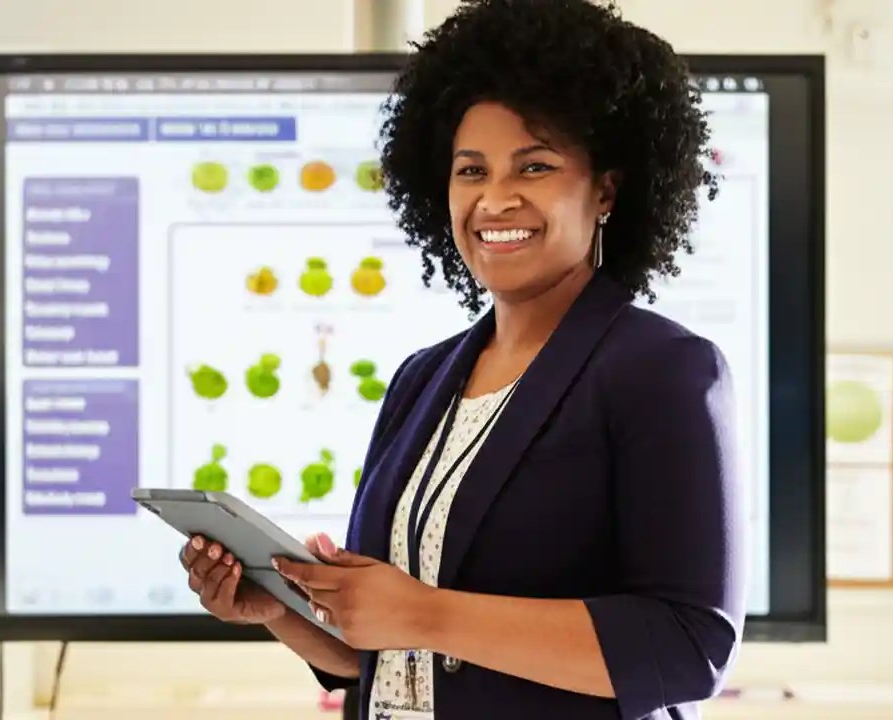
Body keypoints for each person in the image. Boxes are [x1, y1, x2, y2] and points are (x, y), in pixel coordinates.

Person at [178, 0, 746, 717]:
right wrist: (282, 611)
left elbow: (686, 647)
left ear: (605, 188)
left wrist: (423, 612)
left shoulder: (663, 370)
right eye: (470, 170)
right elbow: (381, 656)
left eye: (533, 167)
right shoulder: (423, 379)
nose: (494, 199)